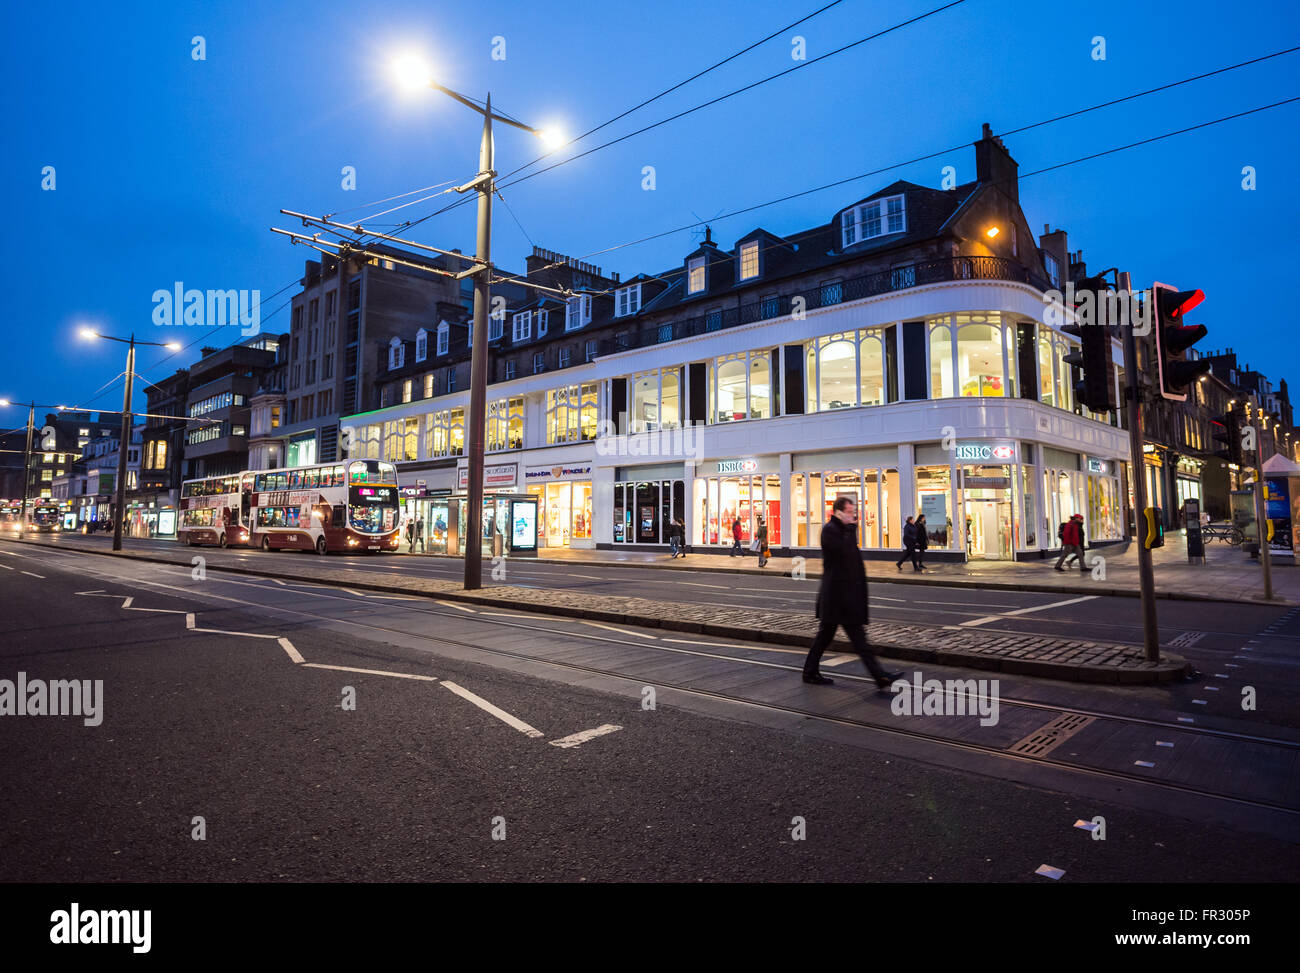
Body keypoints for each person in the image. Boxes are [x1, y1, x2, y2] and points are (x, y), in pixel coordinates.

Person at [801, 497, 902, 691]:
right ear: (838, 512)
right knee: (852, 639)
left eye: (853, 511)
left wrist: (849, 529)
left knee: (830, 638)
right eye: (849, 511)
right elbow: (843, 554)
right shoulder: (830, 531)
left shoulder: (843, 531)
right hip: (838, 597)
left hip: (843, 596)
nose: (852, 515)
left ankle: (810, 671)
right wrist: (850, 529)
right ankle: (879, 676)